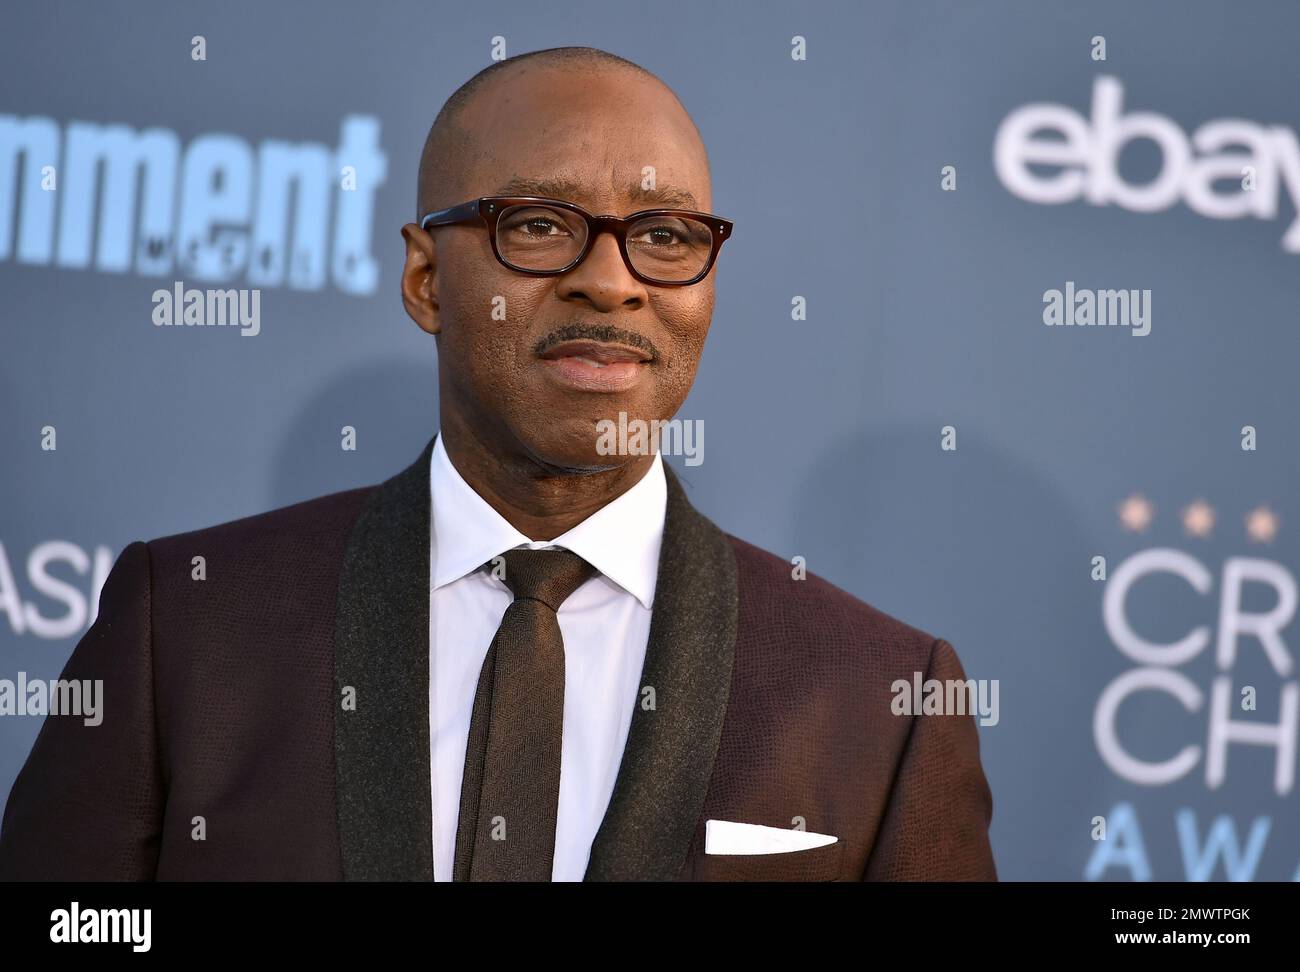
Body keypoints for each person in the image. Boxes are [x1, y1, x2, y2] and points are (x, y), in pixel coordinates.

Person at [0, 46, 995, 881]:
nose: (610, 282)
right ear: (427, 278)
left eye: (664, 237)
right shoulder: (185, 624)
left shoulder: (883, 694)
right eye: (538, 226)